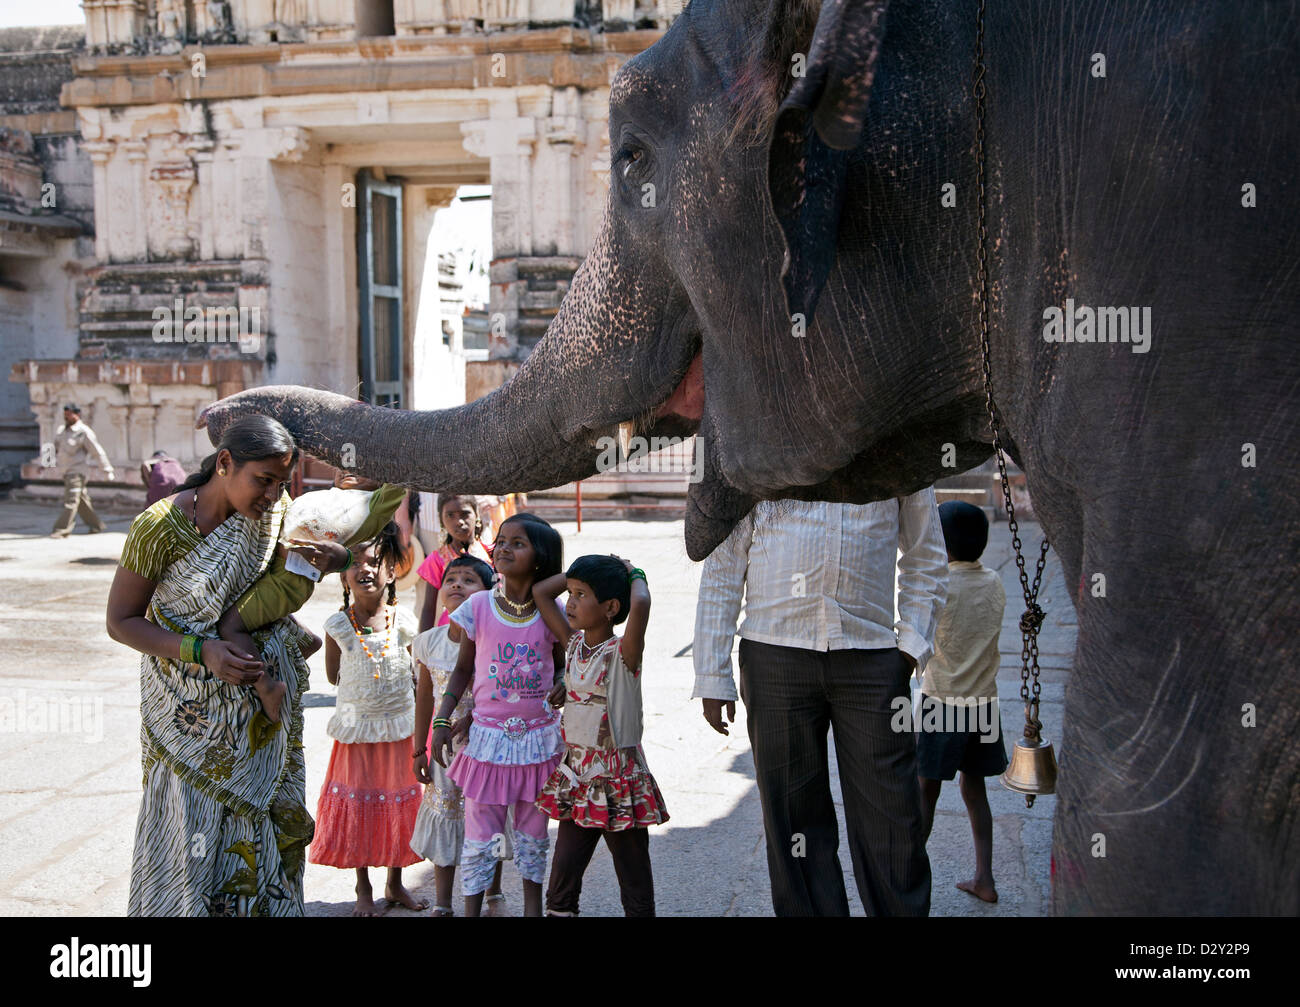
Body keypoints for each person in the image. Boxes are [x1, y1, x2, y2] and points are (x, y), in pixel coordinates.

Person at [106, 414, 340, 917]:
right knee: (188, 835)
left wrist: (333, 556)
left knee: (263, 832)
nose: (274, 497)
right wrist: (201, 651)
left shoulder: (273, 520)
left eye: (282, 484)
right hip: (188, 718)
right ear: (225, 462)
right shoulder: (160, 528)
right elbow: (121, 621)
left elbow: (315, 561)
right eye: (264, 481)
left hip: (260, 717)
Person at [693, 493, 948, 916]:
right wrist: (712, 674)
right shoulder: (762, 442)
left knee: (892, 818)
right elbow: (724, 562)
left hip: (872, 656)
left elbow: (926, 556)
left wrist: (908, 650)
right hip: (774, 654)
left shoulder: (893, 441)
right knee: (794, 820)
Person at [429, 513, 567, 917]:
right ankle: (471, 909)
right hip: (487, 743)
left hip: (538, 743)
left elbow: (564, 661)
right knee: (481, 836)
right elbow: (462, 669)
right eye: (501, 541)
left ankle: (531, 911)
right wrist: (442, 719)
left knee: (532, 834)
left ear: (540, 559)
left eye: (517, 543)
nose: (503, 547)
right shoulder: (478, 607)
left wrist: (563, 681)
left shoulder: (553, 609)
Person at [534, 554, 668, 917]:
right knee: (562, 881)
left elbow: (640, 600)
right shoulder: (574, 645)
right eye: (572, 593)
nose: (572, 602)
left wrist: (631, 570)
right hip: (577, 778)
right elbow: (541, 592)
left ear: (610, 607)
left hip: (619, 781)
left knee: (634, 881)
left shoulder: (624, 653)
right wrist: (583, 571)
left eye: (581, 594)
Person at [309, 523, 426, 916]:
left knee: (397, 802)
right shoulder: (338, 626)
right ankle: (363, 888)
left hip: (399, 730)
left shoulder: (405, 622)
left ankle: (395, 884)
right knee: (358, 806)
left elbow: (416, 674)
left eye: (375, 562)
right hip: (356, 734)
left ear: (392, 573)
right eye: (355, 562)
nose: (366, 569)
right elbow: (332, 676)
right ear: (343, 575)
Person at [917, 501, 1008, 903]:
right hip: (984, 704)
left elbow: (919, 637)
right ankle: (984, 878)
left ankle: (908, 877)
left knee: (925, 791)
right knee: (975, 791)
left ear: (942, 544)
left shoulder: (939, 583)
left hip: (941, 702)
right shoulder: (994, 582)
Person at [410, 554, 510, 916]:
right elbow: (423, 698)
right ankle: (442, 902)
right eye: (451, 579)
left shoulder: (491, 638)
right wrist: (417, 750)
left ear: (487, 594)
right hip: (442, 753)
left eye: (468, 580)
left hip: (486, 746)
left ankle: (494, 894)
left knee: (488, 820)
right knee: (446, 819)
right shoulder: (427, 642)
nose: (456, 585)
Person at [417, 493, 493, 632]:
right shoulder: (437, 559)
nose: (458, 521)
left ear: (476, 515)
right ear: (441, 520)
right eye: (450, 515)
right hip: (451, 631)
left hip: (487, 628)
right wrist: (422, 644)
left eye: (465, 514)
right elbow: (429, 608)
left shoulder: (491, 554)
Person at [50, 403, 114, 537]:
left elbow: (97, 451)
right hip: (66, 471)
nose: (66, 417)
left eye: (69, 414)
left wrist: (107, 470)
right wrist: (45, 464)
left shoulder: (83, 431)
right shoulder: (61, 430)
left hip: (77, 472)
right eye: (65, 415)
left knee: (71, 501)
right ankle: (96, 526)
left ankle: (61, 529)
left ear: (77, 414)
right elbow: (52, 447)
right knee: (82, 501)